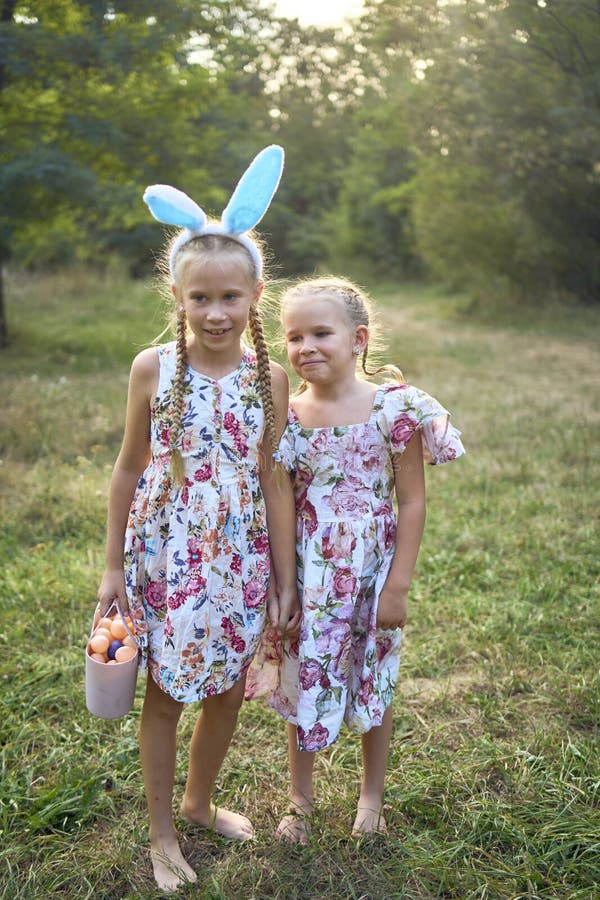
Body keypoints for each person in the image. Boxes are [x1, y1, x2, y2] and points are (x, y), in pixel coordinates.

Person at [97, 146, 299, 892]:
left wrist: (283, 578)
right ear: (178, 296)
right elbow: (128, 468)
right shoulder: (152, 368)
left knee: (225, 692)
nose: (216, 313)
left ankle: (198, 802)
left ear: (256, 295)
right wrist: (112, 568)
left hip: (241, 558)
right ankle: (161, 833)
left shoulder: (269, 377)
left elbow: (274, 481)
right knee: (166, 694)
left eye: (230, 297)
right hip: (167, 556)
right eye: (201, 298)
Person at [246, 276, 465, 844]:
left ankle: (371, 795)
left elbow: (411, 501)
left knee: (374, 676)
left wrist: (398, 586)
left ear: (358, 339)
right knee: (302, 676)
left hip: (371, 572)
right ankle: (300, 800)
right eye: (294, 336)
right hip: (309, 572)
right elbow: (281, 501)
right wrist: (284, 584)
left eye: (321, 333)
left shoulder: (393, 406)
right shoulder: (286, 416)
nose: (306, 347)